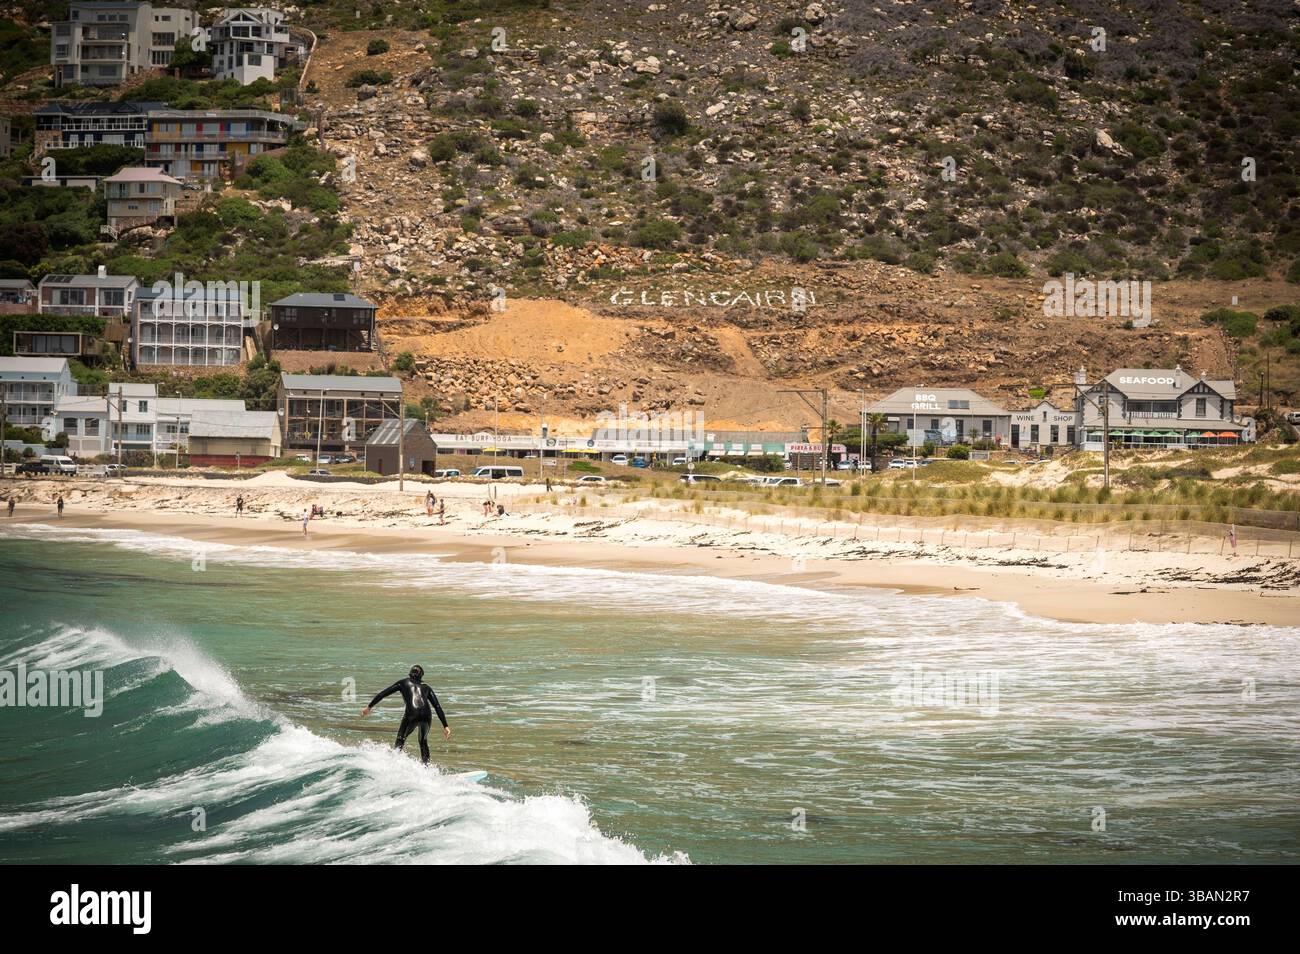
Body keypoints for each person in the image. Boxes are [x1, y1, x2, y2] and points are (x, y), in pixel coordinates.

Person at [361, 665, 451, 765]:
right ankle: (427, 769)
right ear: (421, 676)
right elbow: (437, 706)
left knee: (400, 739)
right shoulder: (426, 687)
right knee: (423, 741)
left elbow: (383, 694)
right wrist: (445, 726)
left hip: (412, 714)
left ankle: (393, 765)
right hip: (427, 716)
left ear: (410, 674)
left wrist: (369, 707)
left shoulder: (403, 682)